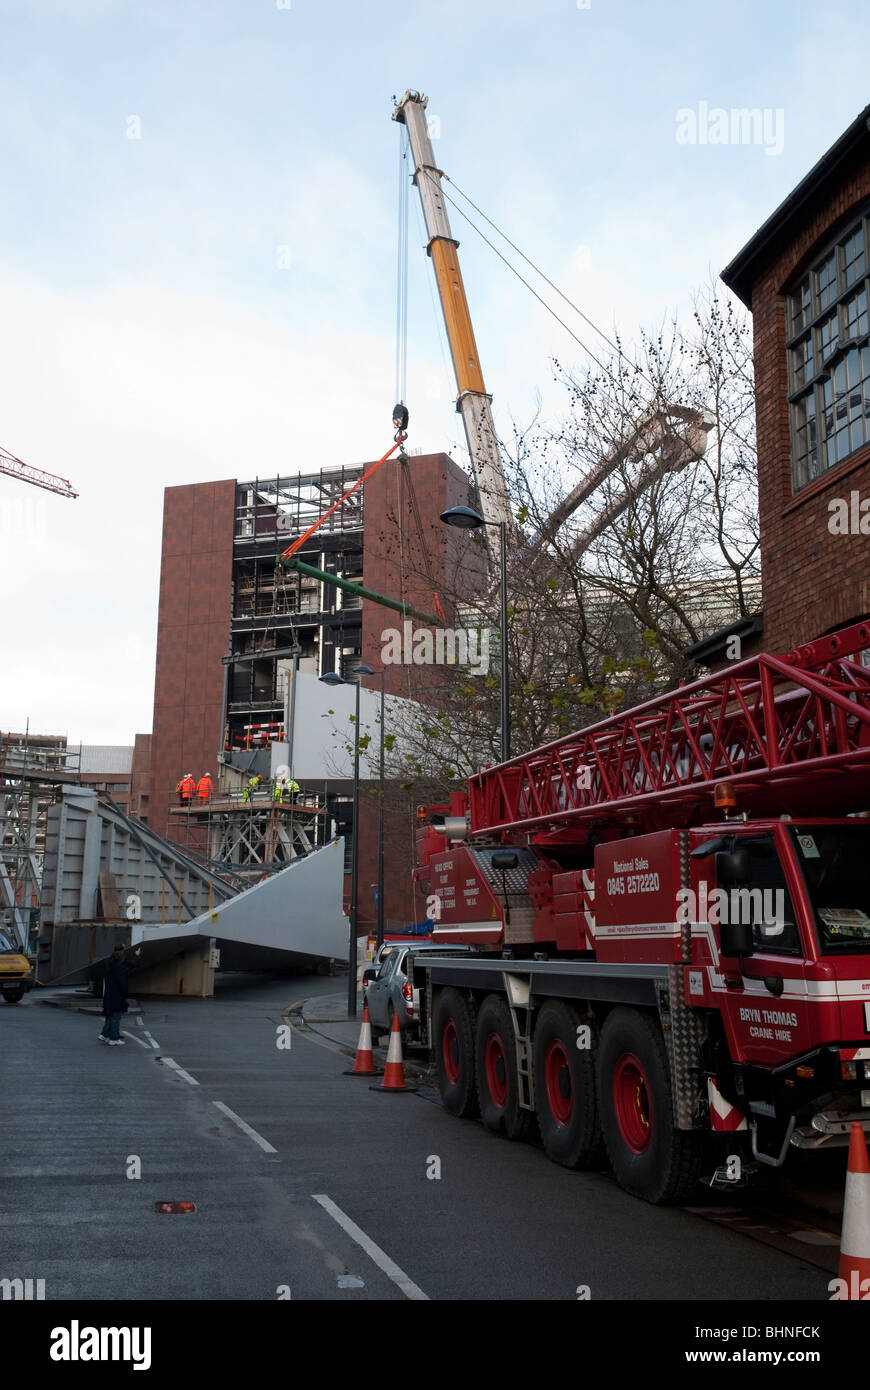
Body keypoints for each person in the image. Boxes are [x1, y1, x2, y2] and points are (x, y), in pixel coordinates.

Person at [99, 945, 131, 1046]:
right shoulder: (122, 969)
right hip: (117, 997)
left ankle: (106, 1035)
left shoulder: (109, 967)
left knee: (110, 1016)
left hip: (109, 995)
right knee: (116, 1017)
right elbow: (123, 985)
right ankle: (114, 1038)